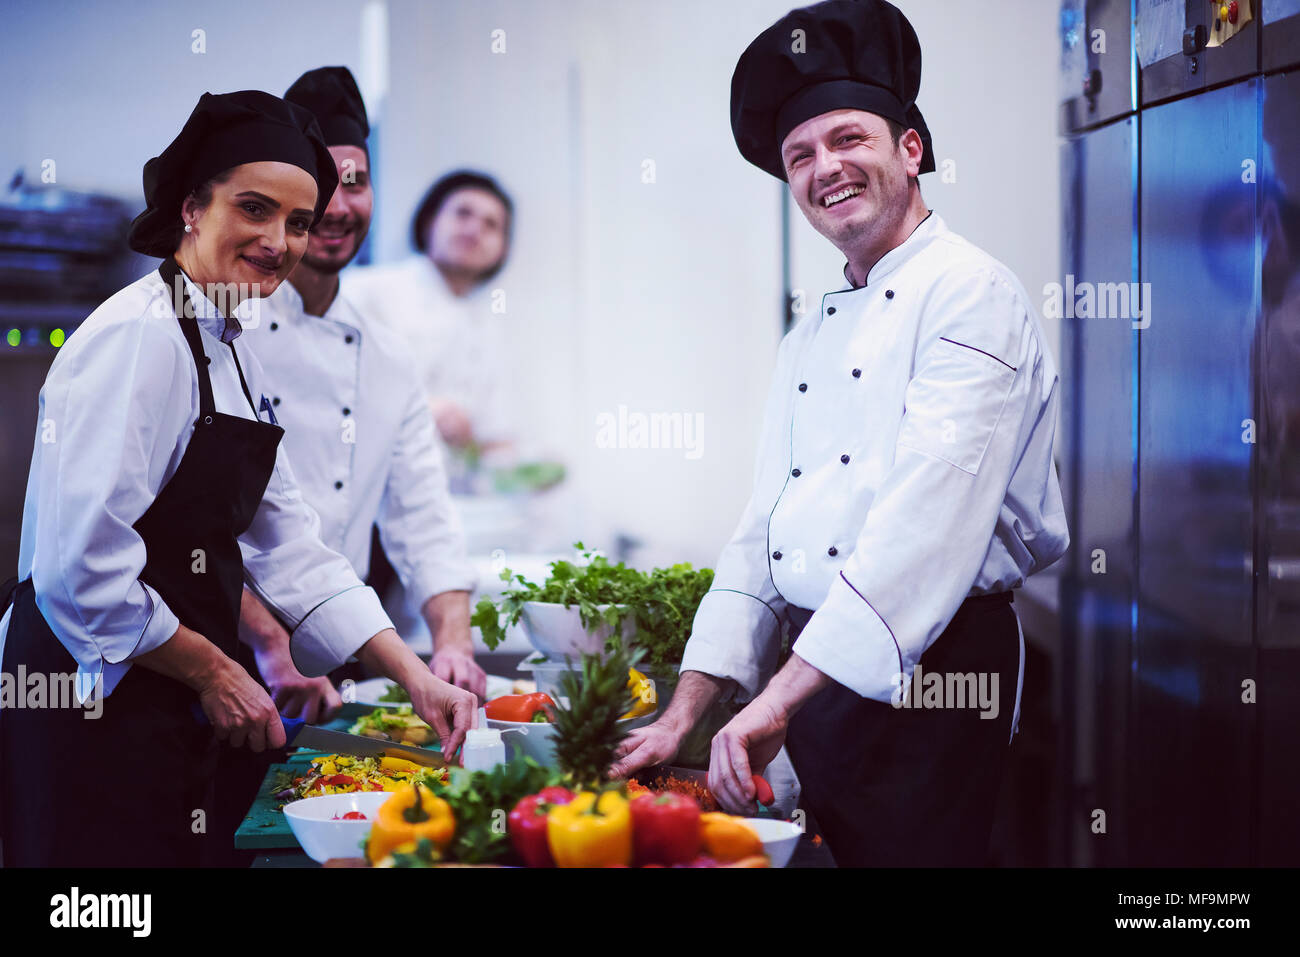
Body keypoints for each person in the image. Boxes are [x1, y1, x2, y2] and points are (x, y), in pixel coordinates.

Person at [610, 0, 1069, 867]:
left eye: (848, 138)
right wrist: (687, 706)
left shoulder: (973, 296)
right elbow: (763, 532)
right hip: (820, 671)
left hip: (937, 673)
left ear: (911, 148)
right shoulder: (810, 332)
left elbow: (919, 533)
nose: (827, 168)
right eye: (801, 155)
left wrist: (777, 700)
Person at [0, 90, 475, 867]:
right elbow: (79, 567)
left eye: (295, 220)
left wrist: (415, 676)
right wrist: (216, 667)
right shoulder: (137, 338)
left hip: (159, 689)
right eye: (254, 208)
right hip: (92, 697)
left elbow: (290, 543)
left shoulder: (227, 340)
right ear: (192, 206)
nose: (278, 240)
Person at [238, 66, 485, 714]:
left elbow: (422, 515)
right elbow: (182, 531)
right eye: (318, 184)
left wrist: (451, 641)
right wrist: (268, 642)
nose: (338, 206)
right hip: (221, 654)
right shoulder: (225, 332)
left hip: (334, 650)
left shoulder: (384, 354)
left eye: (356, 182)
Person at [344, 169, 515, 456]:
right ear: (429, 221)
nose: (475, 230)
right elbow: (327, 384)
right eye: (463, 214)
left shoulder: (489, 325)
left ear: (501, 249)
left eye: (491, 224)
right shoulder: (365, 291)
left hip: (451, 493)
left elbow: (491, 434)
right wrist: (425, 409)